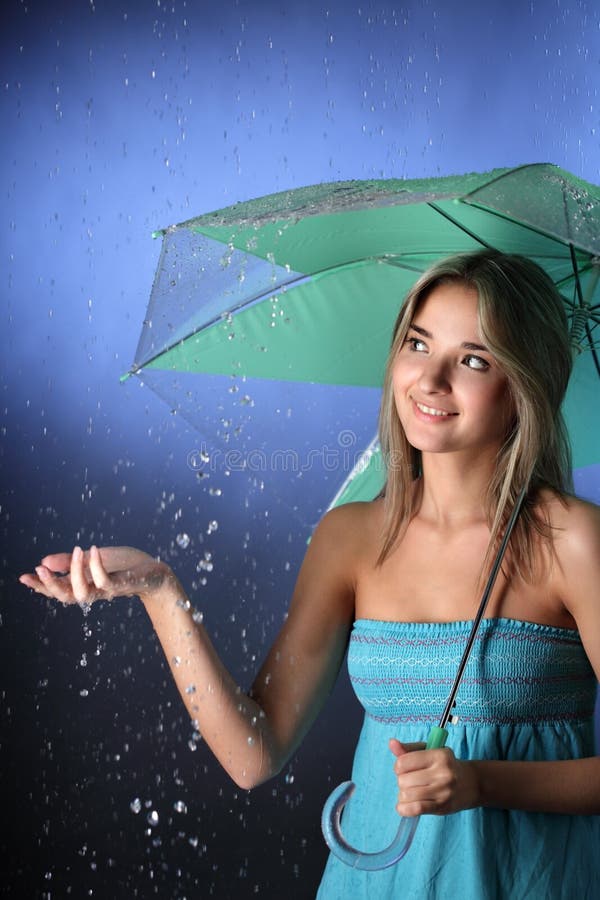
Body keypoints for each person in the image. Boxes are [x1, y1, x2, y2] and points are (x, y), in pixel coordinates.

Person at [20, 249, 600, 899]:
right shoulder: (349, 538)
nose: (430, 379)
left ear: (525, 385)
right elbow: (254, 753)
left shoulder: (574, 542)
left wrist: (481, 782)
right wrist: (159, 589)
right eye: (417, 344)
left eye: (473, 360)